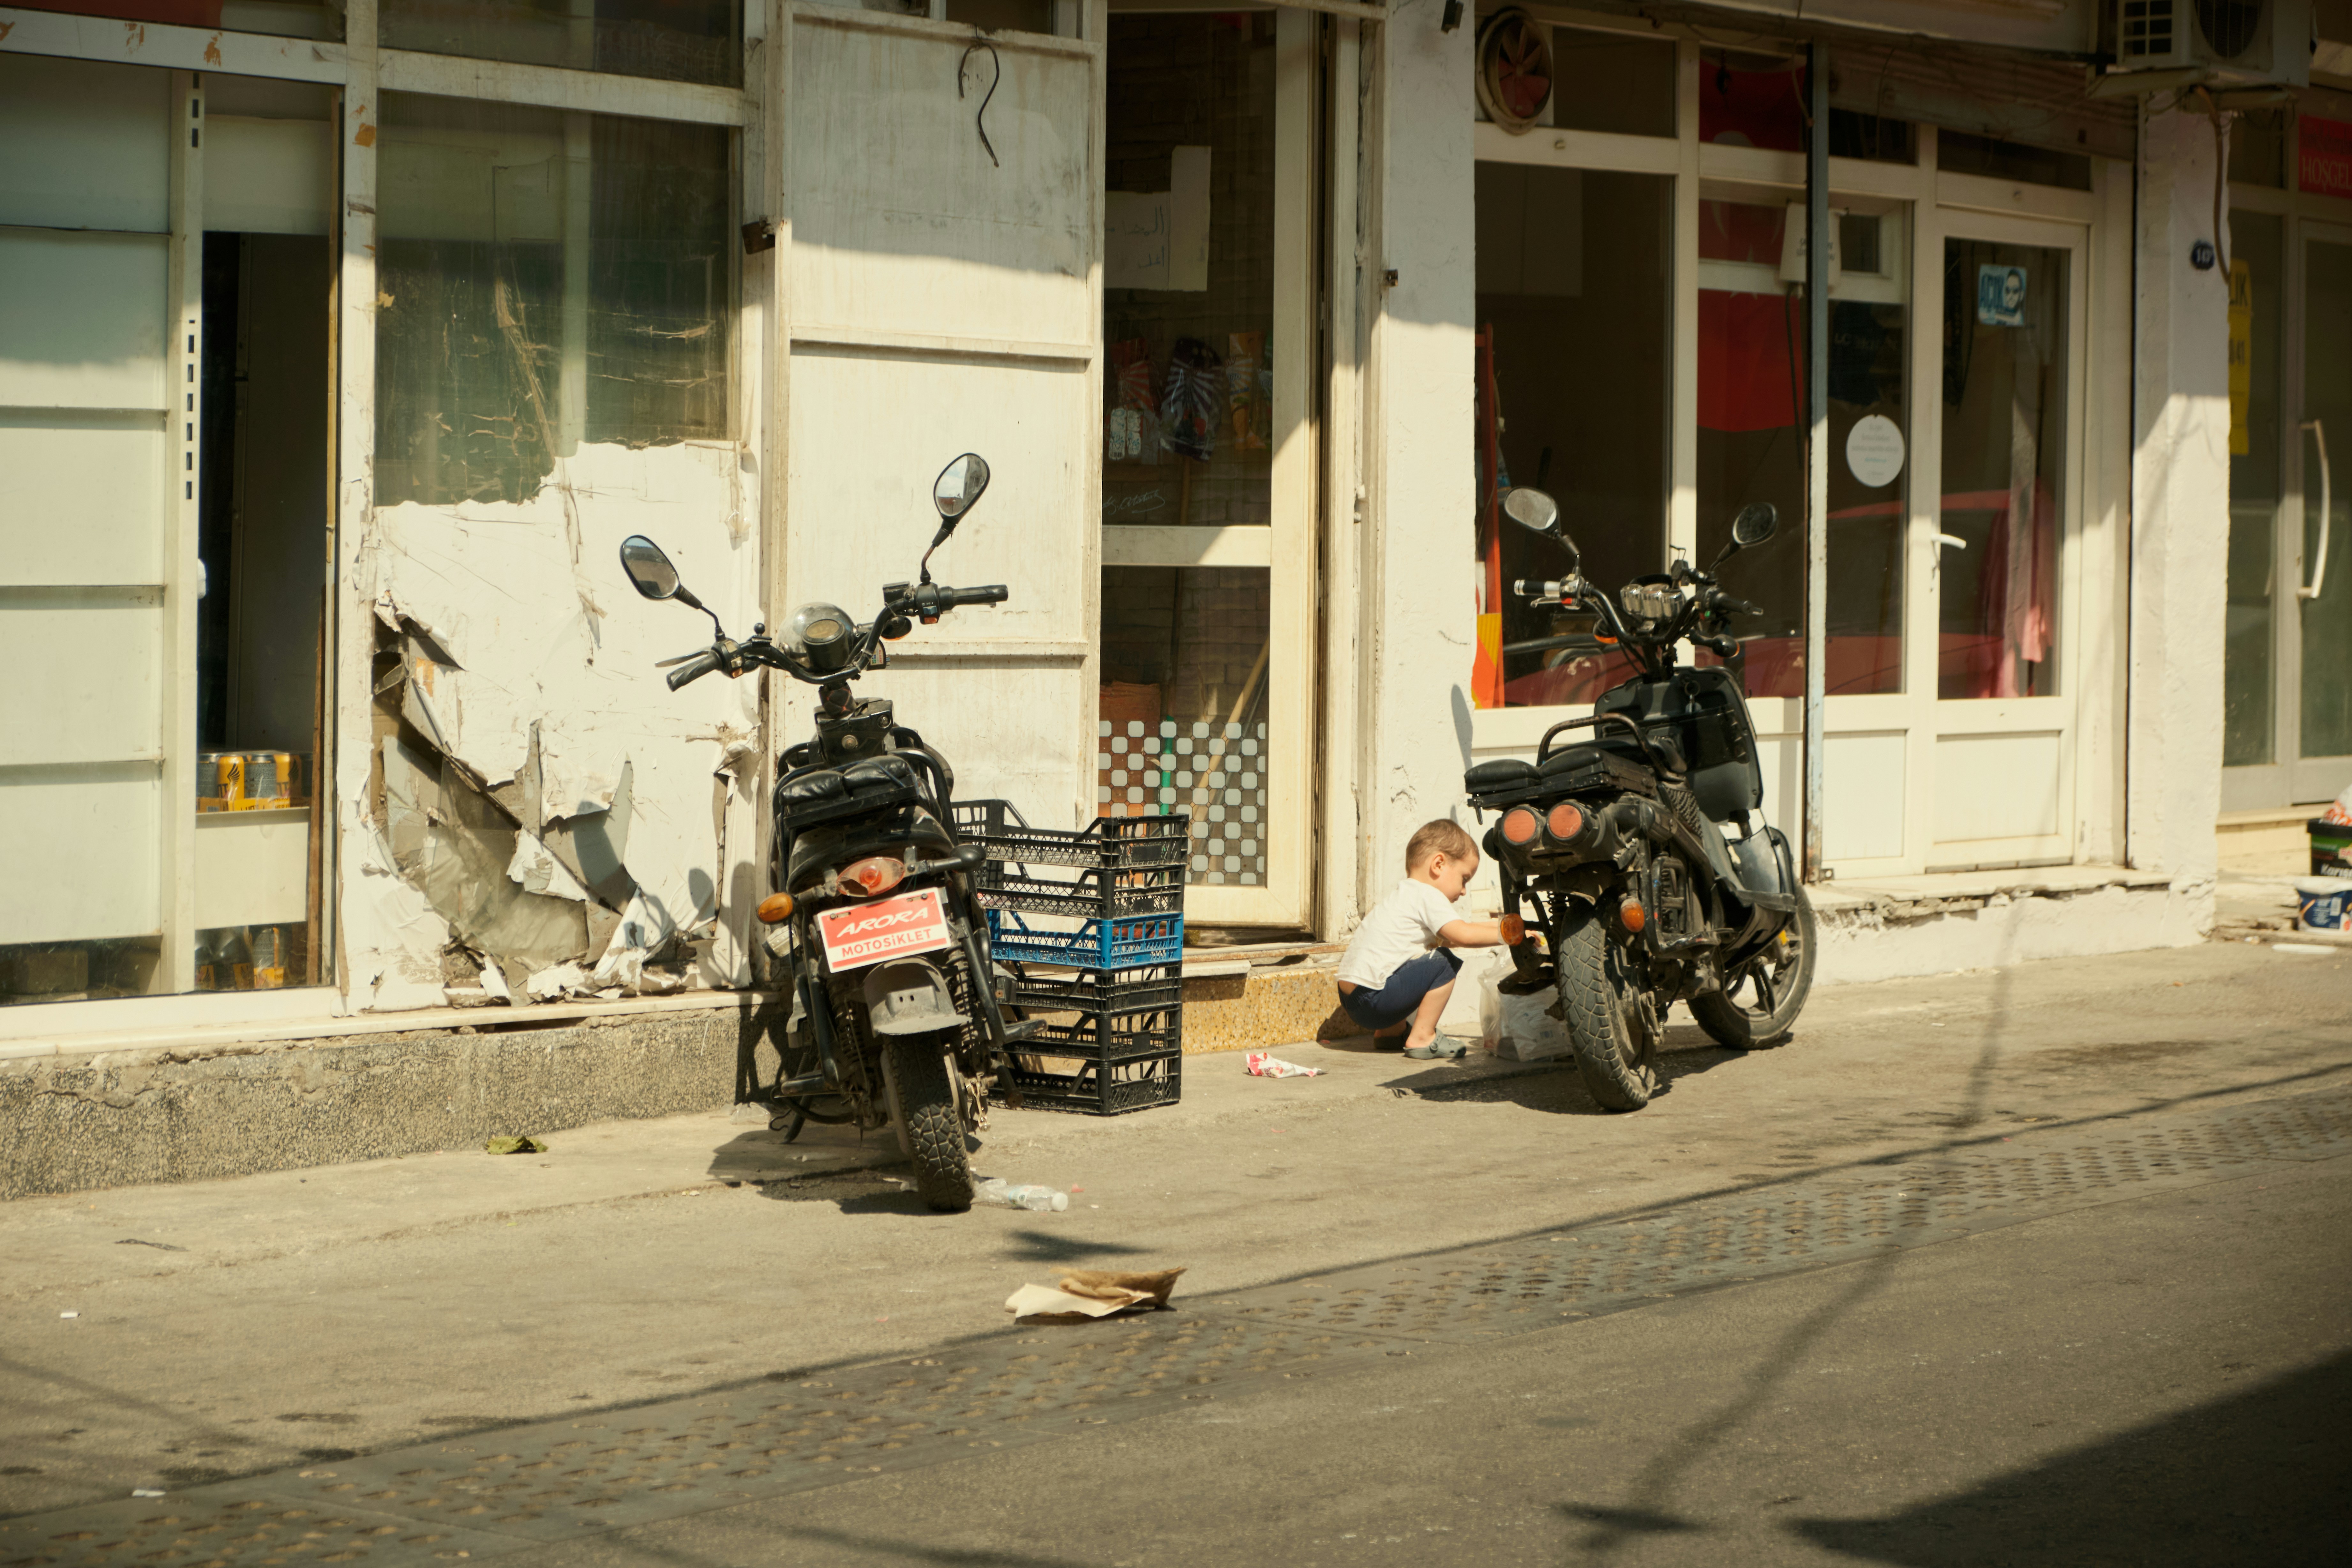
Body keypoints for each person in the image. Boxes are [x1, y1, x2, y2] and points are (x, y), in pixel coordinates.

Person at [1335, 819, 1520, 1059]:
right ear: (1439, 864)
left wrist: (1502, 924)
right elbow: (1462, 935)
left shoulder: (1403, 896)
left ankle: (1390, 1033)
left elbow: (1455, 934)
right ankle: (1423, 1037)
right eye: (1464, 879)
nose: (1464, 891)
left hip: (1351, 1000)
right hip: (1375, 1000)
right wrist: (1511, 935)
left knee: (1405, 961)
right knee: (1443, 963)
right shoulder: (1428, 895)